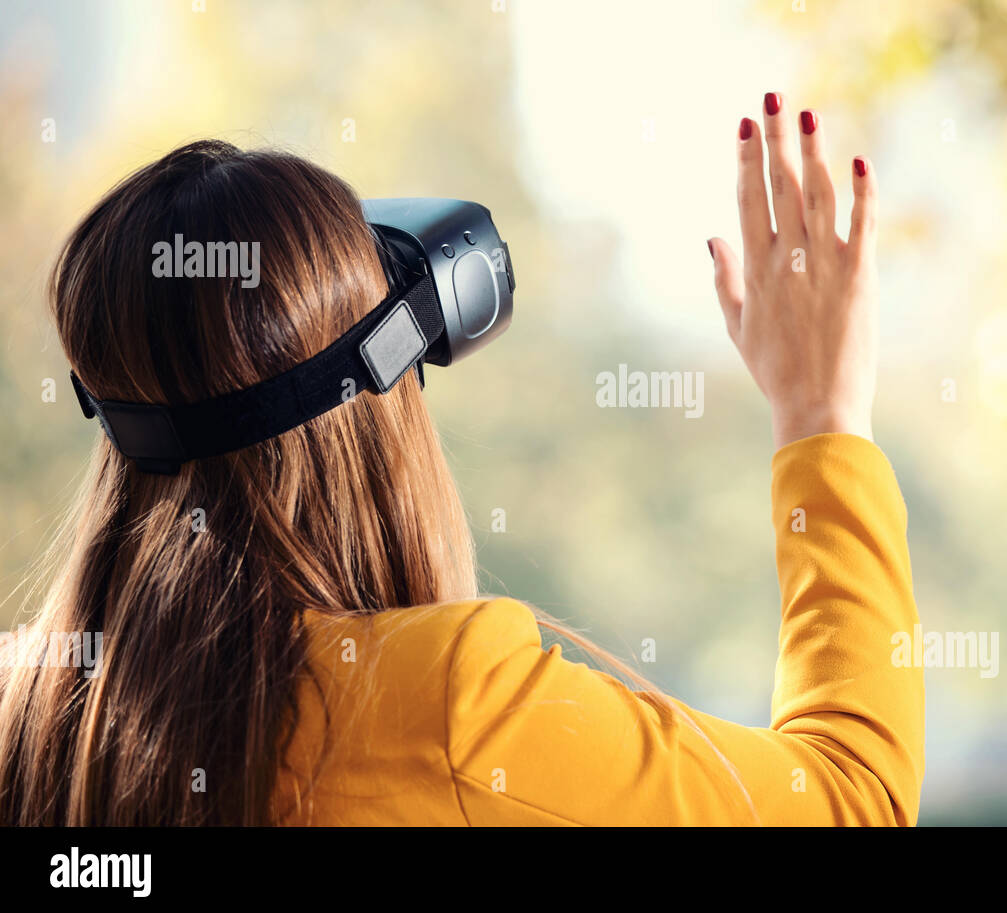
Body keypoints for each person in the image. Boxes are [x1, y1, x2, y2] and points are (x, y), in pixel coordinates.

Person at [0, 92, 923, 825]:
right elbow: (853, 800)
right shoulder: (443, 710)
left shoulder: (30, 732)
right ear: (381, 391)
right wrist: (820, 414)